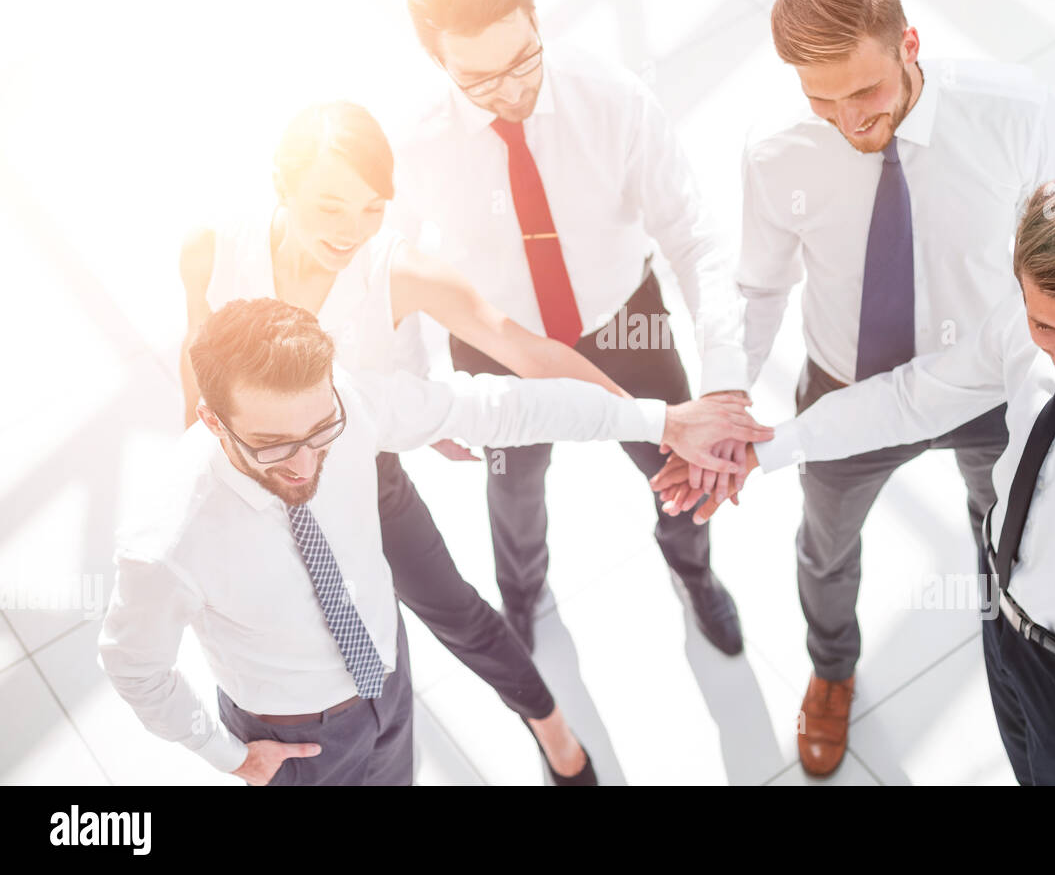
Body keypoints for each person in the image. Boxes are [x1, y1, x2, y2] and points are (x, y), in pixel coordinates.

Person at [178, 101, 764, 781]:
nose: (351, 232)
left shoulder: (396, 269)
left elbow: (525, 354)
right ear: (281, 185)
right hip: (254, 485)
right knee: (289, 638)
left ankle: (555, 734)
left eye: (372, 209)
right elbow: (196, 378)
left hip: (367, 478)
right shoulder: (210, 251)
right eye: (331, 206)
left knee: (458, 614)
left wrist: (660, 419)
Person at [654, 178, 1055, 785]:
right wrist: (766, 447)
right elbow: (912, 400)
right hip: (997, 606)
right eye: (1047, 326)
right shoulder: (1020, 329)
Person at [99, 298, 772, 785]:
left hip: (388, 677)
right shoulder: (167, 539)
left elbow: (501, 406)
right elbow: (135, 668)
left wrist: (659, 420)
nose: (304, 464)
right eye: (272, 445)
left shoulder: (346, 401)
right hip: (294, 739)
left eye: (318, 433)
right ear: (213, 421)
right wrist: (226, 755)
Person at [708, 0, 1055, 775]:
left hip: (986, 387)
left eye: (863, 92)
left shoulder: (1013, 114)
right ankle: (832, 669)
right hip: (846, 385)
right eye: (819, 97)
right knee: (826, 547)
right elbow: (759, 287)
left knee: (1005, 533)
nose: (846, 118)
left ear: (910, 43)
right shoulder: (778, 152)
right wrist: (727, 393)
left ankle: (1010, 658)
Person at [393, 0, 753, 656]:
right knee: (515, 499)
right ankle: (522, 598)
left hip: (626, 323)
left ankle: (694, 572)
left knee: (682, 469)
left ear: (536, 21)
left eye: (523, 59)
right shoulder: (413, 141)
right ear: (438, 62)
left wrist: (727, 378)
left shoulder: (612, 98)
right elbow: (392, 272)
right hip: (497, 343)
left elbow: (691, 236)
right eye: (479, 78)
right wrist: (414, 390)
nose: (511, 90)